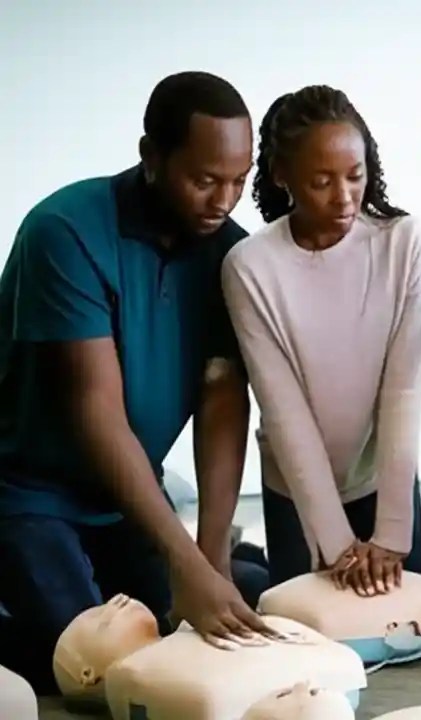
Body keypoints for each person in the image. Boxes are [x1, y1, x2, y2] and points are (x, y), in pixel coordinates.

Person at [0, 71, 281, 693]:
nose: (224, 199)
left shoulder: (230, 255)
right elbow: (94, 410)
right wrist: (183, 562)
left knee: (213, 617)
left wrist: (207, 560)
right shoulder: (65, 232)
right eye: (204, 179)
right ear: (151, 158)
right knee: (93, 664)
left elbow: (222, 407)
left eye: (238, 180)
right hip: (26, 494)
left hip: (126, 500)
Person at [222, 85, 421, 595]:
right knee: (304, 631)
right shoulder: (251, 267)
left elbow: (403, 392)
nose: (343, 197)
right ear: (281, 176)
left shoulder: (405, 243)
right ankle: (242, 560)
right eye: (321, 181)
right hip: (294, 489)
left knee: (412, 630)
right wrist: (337, 545)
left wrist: (390, 536)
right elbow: (284, 411)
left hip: (382, 480)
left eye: (354, 176)